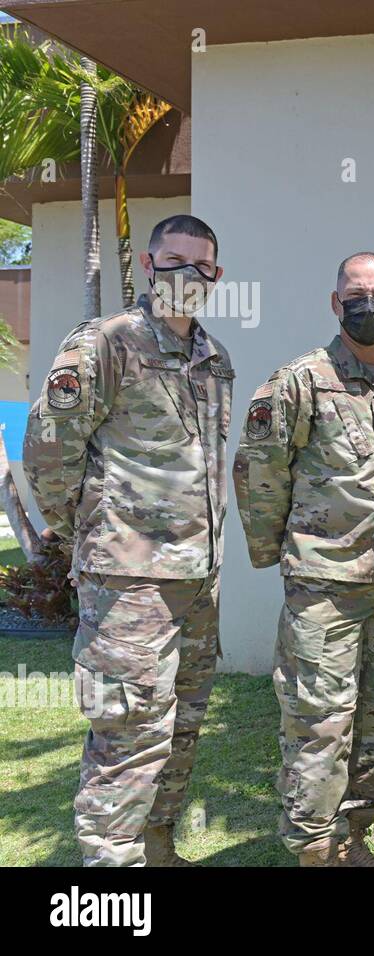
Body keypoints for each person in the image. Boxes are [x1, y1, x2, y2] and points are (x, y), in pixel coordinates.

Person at [25, 215, 234, 866]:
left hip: (199, 581)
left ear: (216, 278)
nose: (186, 276)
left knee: (181, 728)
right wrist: (92, 531)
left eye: (200, 267)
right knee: (128, 735)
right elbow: (47, 453)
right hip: (128, 583)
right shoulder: (103, 344)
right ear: (148, 266)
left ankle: (158, 851)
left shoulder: (214, 357)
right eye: (174, 261)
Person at [233, 251, 374, 866]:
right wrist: (283, 555)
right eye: (356, 293)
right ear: (335, 302)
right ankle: (312, 850)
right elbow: (259, 469)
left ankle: (354, 839)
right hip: (322, 587)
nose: (368, 304)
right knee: (319, 723)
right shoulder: (300, 380)